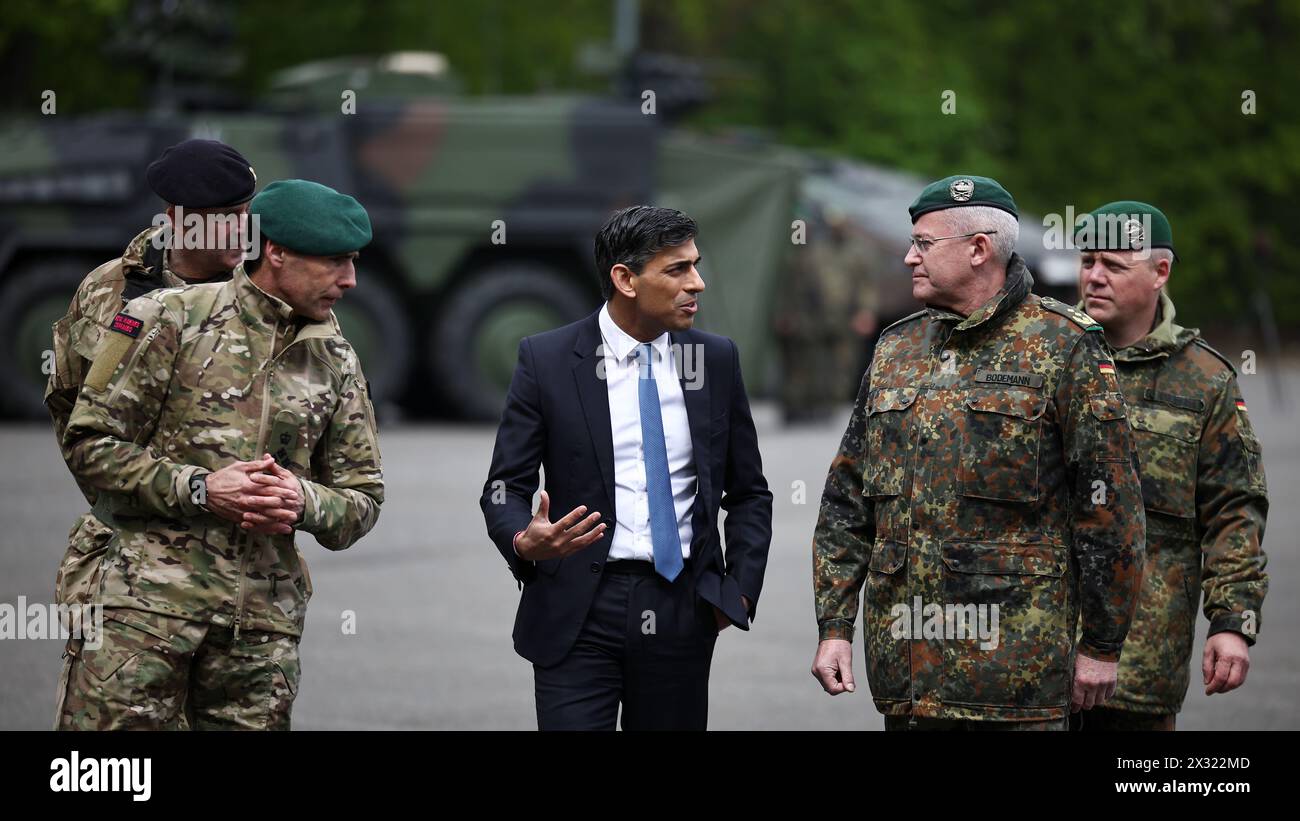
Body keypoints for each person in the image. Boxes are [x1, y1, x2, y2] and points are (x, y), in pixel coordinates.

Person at [810, 175, 1146, 730]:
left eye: (923, 243)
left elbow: (1110, 511)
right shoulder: (897, 348)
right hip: (911, 678)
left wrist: (1103, 646)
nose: (907, 257)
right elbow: (847, 503)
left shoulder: (1064, 345)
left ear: (979, 249)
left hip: (1016, 679)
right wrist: (835, 628)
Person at [55, 179, 383, 730]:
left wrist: (302, 501)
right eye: (334, 261)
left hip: (260, 631)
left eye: (352, 262)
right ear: (275, 252)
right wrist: (202, 489)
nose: (349, 280)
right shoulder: (169, 318)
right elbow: (89, 444)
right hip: (142, 612)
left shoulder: (335, 357)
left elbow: (363, 499)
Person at [481, 205, 773, 730]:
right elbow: (505, 486)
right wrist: (524, 540)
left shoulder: (715, 360)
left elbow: (749, 492)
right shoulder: (546, 360)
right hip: (577, 608)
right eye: (677, 269)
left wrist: (737, 592)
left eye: (696, 265)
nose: (698, 284)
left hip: (682, 606)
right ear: (625, 279)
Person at [1070, 200, 1268, 731]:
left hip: (1141, 661)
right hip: (1037, 653)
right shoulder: (1049, 356)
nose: (1094, 277)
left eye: (1113, 265)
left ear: (1160, 272)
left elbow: (1233, 509)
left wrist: (1231, 621)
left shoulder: (1204, 379)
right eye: (1087, 261)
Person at [46, 139, 255, 617]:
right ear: (177, 217)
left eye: (245, 213)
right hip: (128, 555)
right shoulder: (107, 290)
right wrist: (124, 492)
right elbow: (68, 401)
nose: (240, 231)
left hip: (238, 564)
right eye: (223, 217)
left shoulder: (265, 296)